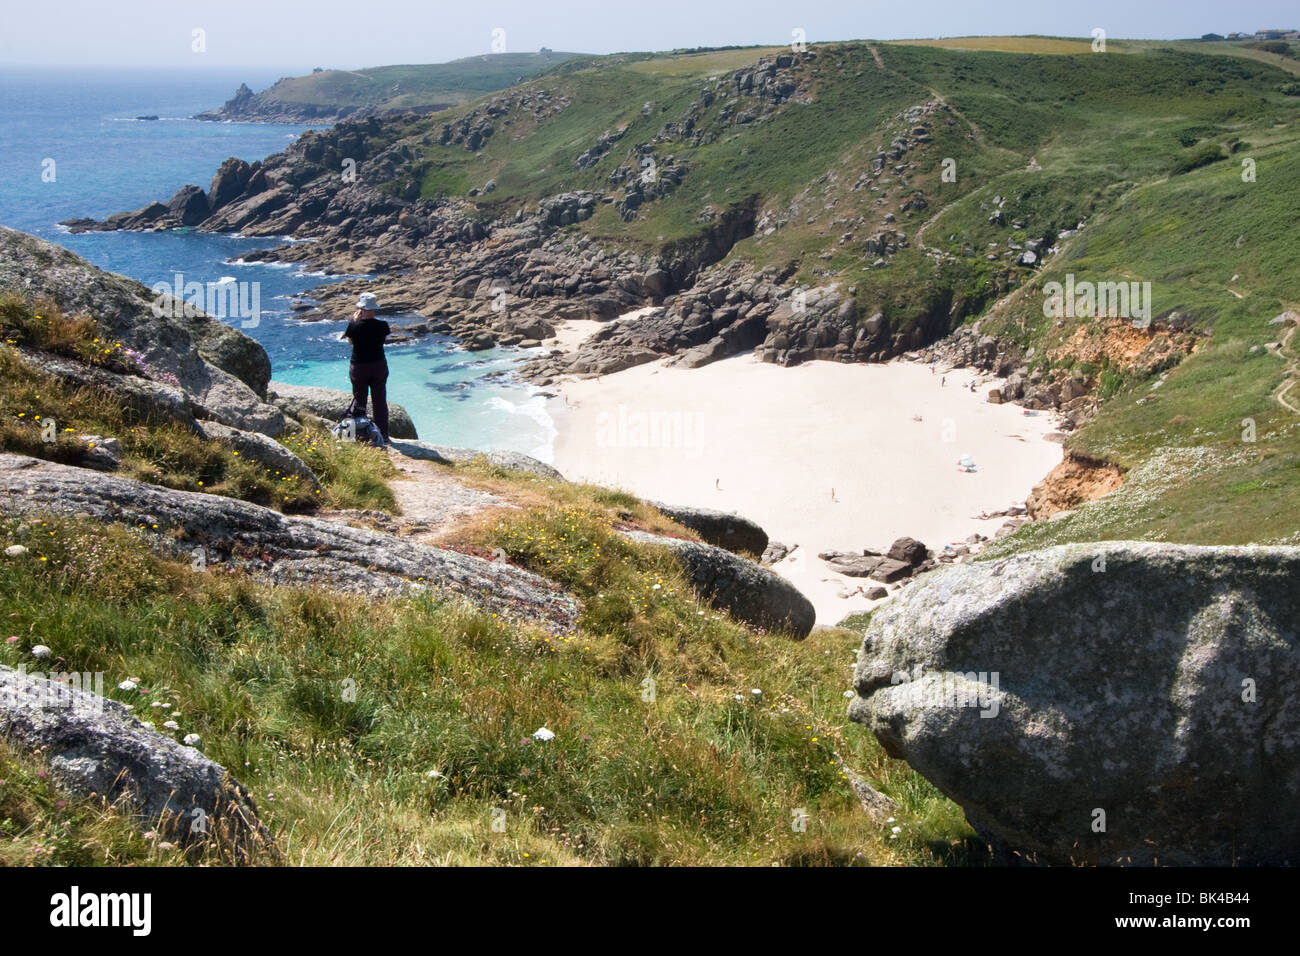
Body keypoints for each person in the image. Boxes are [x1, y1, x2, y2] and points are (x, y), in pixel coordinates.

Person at [342, 292, 391, 443]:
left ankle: (353, 436)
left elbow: (351, 341)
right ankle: (383, 435)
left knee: (359, 399)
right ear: (374, 309)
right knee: (380, 400)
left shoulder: (354, 326)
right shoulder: (383, 326)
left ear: (361, 309)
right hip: (378, 365)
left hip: (359, 366)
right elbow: (381, 340)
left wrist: (355, 322)